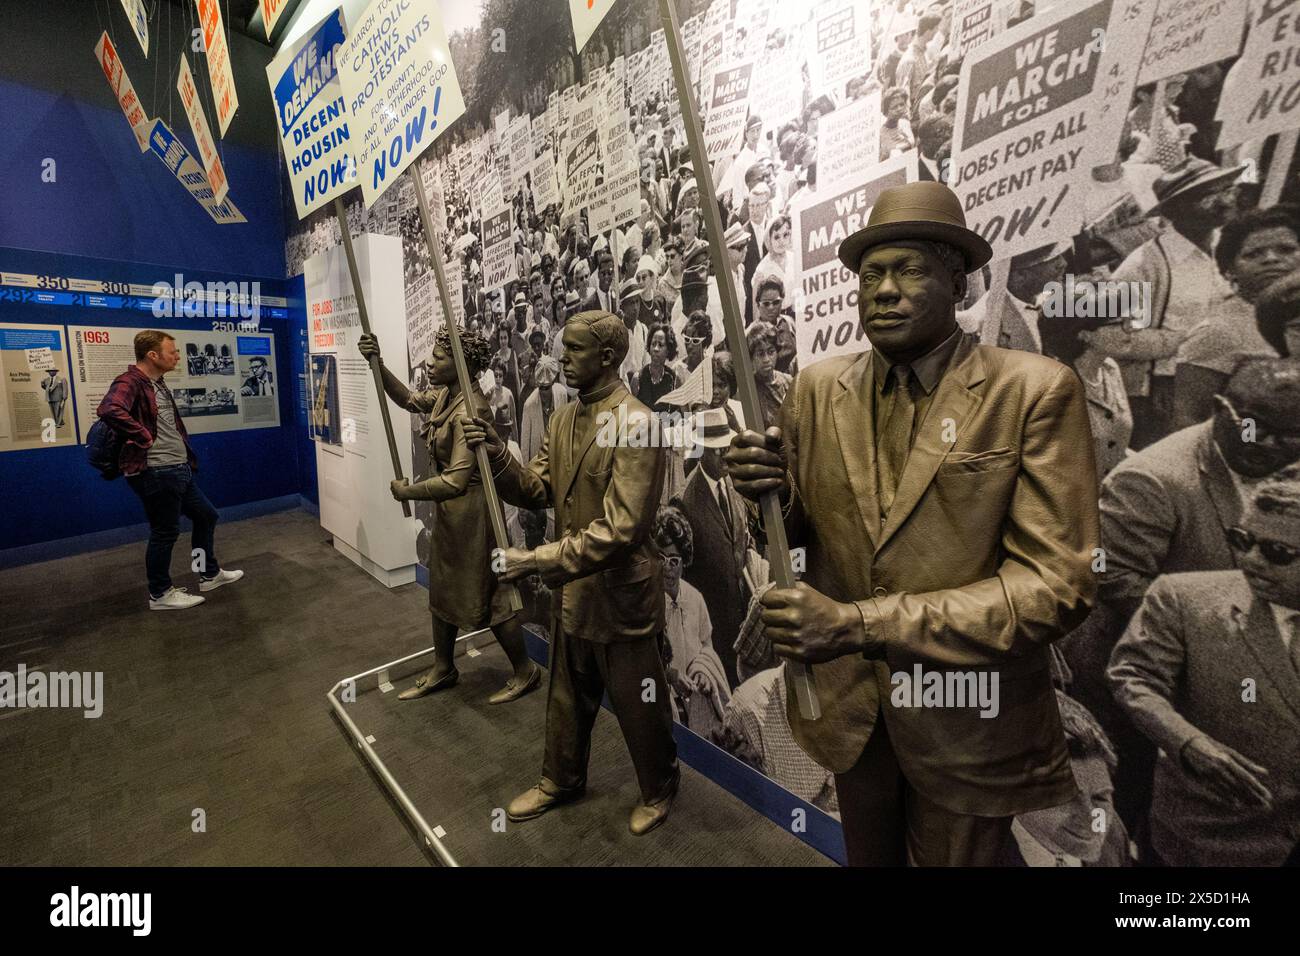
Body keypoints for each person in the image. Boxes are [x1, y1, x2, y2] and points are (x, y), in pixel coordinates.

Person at [723, 181, 1100, 865]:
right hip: (853, 718)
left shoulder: (1034, 391)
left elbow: (1056, 587)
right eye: (871, 275)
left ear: (957, 281)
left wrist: (860, 624)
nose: (884, 290)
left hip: (969, 723)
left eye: (908, 270)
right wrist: (764, 497)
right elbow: (801, 539)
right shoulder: (815, 390)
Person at [464, 310, 679, 835]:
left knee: (639, 704)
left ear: (607, 357)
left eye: (574, 349)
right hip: (573, 591)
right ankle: (560, 778)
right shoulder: (562, 419)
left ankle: (660, 784)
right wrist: (494, 452)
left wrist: (535, 560)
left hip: (620, 597)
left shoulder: (638, 423)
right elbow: (535, 490)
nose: (562, 358)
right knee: (566, 697)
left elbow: (622, 531)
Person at [1108, 467, 1300, 866]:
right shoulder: (1183, 599)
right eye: (1242, 540)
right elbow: (1134, 677)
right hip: (1209, 841)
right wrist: (1188, 743)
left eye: (1277, 552)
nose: (1250, 560)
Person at [358, 328, 541, 704]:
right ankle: (444, 666)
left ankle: (525, 670)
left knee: (490, 595)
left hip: (474, 517)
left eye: (439, 357)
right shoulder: (446, 395)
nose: (430, 361)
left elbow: (458, 480)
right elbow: (409, 399)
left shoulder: (471, 409)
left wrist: (408, 491)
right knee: (442, 589)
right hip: (451, 515)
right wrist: (377, 363)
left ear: (459, 364)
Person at [96, 330, 243, 610]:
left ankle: (208, 574)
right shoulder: (131, 381)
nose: (177, 356)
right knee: (165, 531)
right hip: (156, 471)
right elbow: (109, 409)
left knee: (206, 516)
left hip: (176, 468)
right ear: (153, 355)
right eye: (172, 351)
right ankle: (160, 594)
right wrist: (142, 436)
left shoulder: (157, 382)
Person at [1171, 204, 1297, 428]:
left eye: (1286, 250)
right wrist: (1245, 450)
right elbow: (1190, 417)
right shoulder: (1217, 332)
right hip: (1255, 450)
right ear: (1230, 270)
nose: (1271, 259)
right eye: (1253, 254)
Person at [653, 502, 729, 738]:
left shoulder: (695, 599)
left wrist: (703, 673)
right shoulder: (647, 603)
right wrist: (671, 676)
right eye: (661, 558)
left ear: (684, 561)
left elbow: (706, 648)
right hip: (661, 705)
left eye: (674, 560)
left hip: (695, 706)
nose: (667, 568)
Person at [631, 322, 684, 411]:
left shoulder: (674, 380)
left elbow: (685, 414)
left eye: (661, 345)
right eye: (653, 344)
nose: (656, 349)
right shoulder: (637, 379)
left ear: (668, 349)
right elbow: (631, 415)